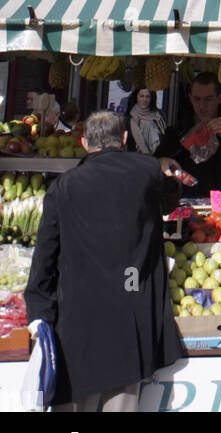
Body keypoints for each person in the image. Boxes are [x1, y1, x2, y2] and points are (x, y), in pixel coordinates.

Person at [25, 109, 184, 411]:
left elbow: (45, 253)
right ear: (124, 139)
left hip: (78, 309)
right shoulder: (145, 171)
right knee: (123, 398)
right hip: (130, 295)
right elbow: (171, 195)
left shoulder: (63, 187)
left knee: (78, 397)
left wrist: (38, 309)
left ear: (84, 143)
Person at [156, 71, 221, 195]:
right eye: (197, 99)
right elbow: (158, 160)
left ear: (220, 97)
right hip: (188, 201)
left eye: (208, 99)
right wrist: (164, 161)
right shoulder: (179, 128)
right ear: (190, 98)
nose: (202, 106)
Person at [127, 87, 166, 156]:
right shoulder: (129, 116)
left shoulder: (159, 115)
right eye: (141, 96)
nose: (144, 100)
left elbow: (164, 135)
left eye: (147, 97)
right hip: (136, 157)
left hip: (158, 156)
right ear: (136, 97)